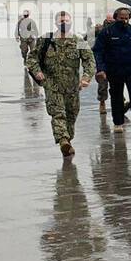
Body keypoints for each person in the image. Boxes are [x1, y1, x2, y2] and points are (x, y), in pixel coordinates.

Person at [27, 10, 94, 157]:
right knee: (58, 114)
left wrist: (86, 77)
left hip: (72, 86)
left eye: (67, 21)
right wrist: (38, 72)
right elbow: (31, 58)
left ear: (71, 22)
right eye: (61, 21)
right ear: (56, 23)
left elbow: (89, 61)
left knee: (71, 114)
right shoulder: (45, 40)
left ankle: (67, 139)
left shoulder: (79, 41)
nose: (64, 23)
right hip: (52, 85)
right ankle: (63, 140)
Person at [92, 7, 131, 136]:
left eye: (126, 18)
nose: (124, 21)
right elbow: (98, 51)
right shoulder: (107, 32)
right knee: (116, 97)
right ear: (115, 18)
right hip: (114, 70)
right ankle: (118, 123)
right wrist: (101, 69)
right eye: (121, 18)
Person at [92, 15, 111, 112]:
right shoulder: (100, 30)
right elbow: (86, 40)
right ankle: (102, 102)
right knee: (103, 84)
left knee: (118, 84)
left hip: (116, 61)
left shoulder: (119, 30)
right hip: (102, 62)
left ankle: (121, 101)